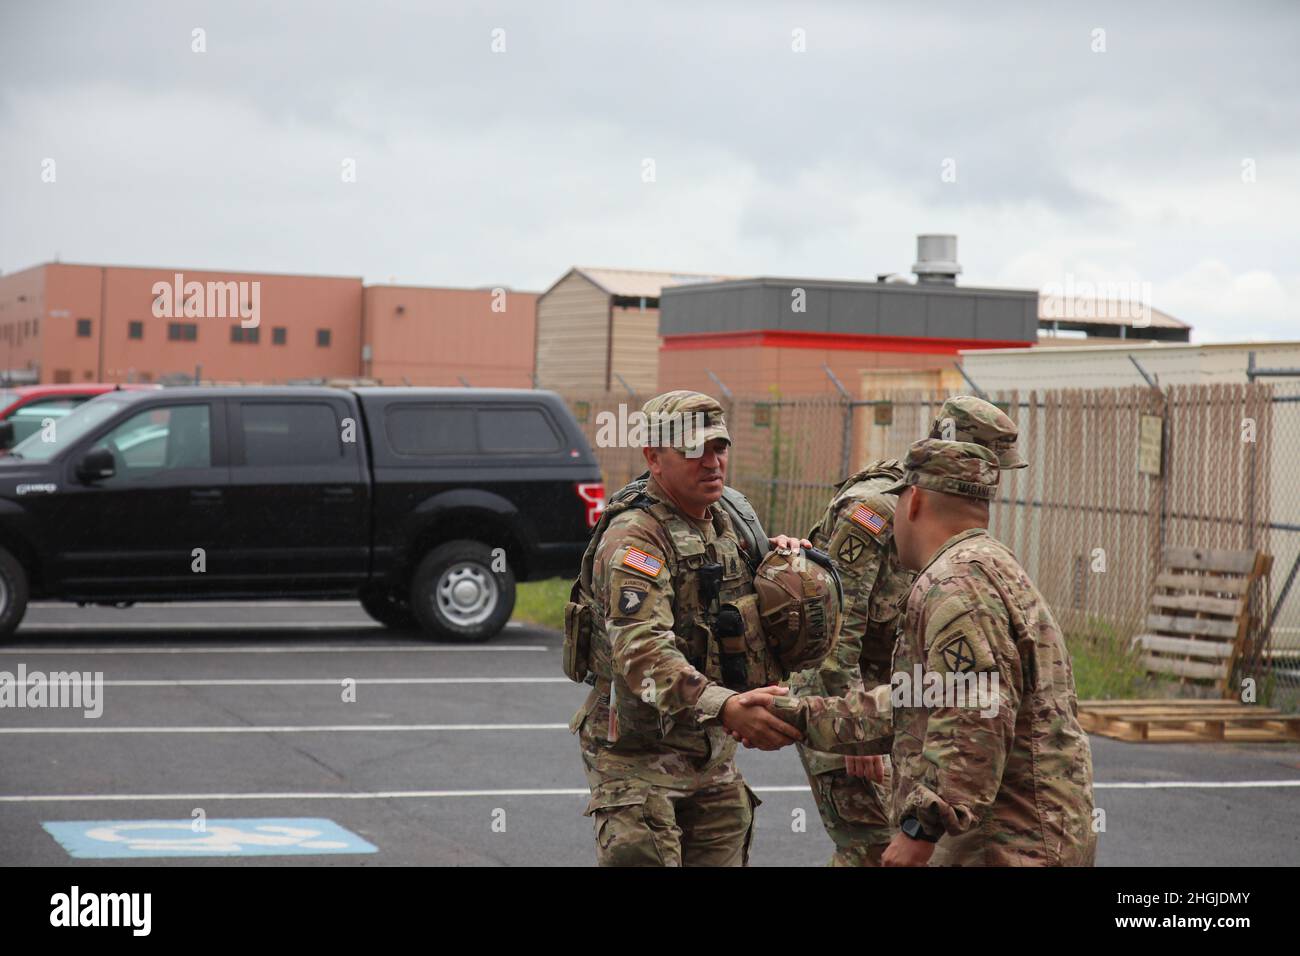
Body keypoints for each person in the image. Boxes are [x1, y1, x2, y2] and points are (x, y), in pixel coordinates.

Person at [769, 438, 1096, 866]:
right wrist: (797, 716)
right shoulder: (985, 564)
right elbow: (917, 700)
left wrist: (920, 829)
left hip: (1011, 843)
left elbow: (975, 711)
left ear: (914, 500)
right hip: (1020, 832)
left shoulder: (954, 584)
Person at [565, 390, 806, 866]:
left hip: (711, 756)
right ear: (654, 457)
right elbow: (641, 651)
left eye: (719, 447)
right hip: (638, 758)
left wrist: (788, 568)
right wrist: (726, 706)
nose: (712, 462)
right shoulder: (634, 538)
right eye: (693, 450)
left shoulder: (730, 524)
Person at [785, 395, 1027, 866]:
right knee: (873, 850)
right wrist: (853, 737)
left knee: (899, 846)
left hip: (895, 709)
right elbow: (837, 632)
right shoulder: (874, 512)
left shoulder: (946, 511)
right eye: (988, 464)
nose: (991, 481)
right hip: (843, 705)